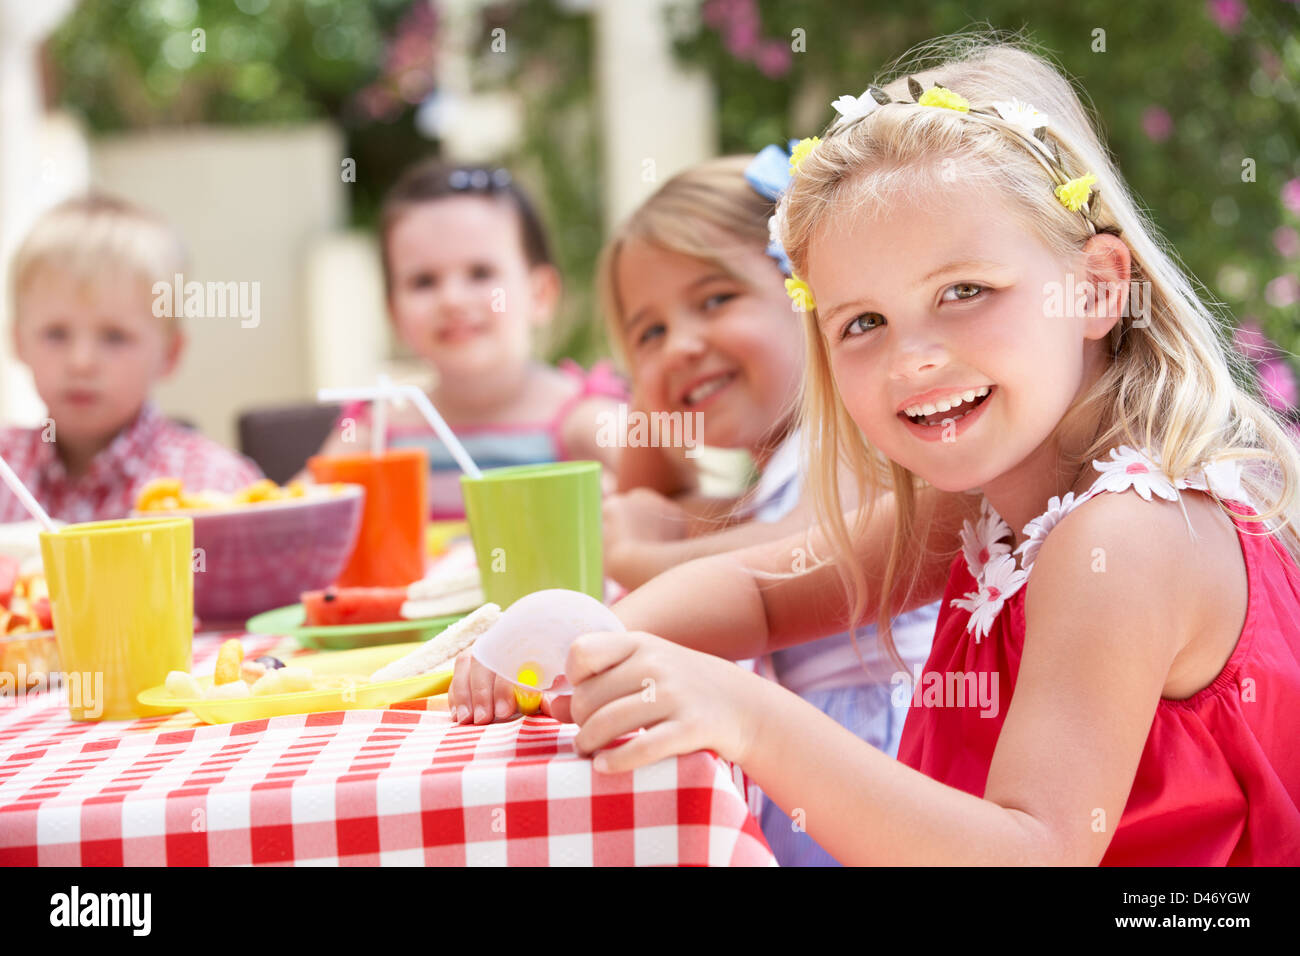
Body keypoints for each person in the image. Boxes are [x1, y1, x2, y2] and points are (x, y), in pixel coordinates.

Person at [459, 36, 1300, 864]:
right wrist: (587, 644)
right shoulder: (994, 494)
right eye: (863, 322)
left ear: (1096, 285)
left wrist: (747, 717)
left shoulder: (1124, 538)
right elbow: (760, 593)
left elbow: (1032, 851)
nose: (913, 358)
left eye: (964, 291)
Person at [592, 155, 939, 864]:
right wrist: (657, 391)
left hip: (885, 779)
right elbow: (652, 498)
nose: (683, 342)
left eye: (714, 300)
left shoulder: (849, 433)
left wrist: (635, 556)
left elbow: (797, 548)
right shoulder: (770, 470)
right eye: (648, 331)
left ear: (811, 297)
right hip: (820, 772)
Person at [312, 162, 625, 519]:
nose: (452, 300)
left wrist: (624, 500)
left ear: (540, 294)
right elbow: (302, 509)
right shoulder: (379, 430)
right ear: (393, 313)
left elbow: (672, 495)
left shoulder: (582, 419)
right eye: (424, 282)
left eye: (480, 273)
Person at [0, 196, 262, 524]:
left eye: (114, 337)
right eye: (56, 334)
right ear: (18, 342)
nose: (81, 362)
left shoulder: (218, 487)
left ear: (171, 354)